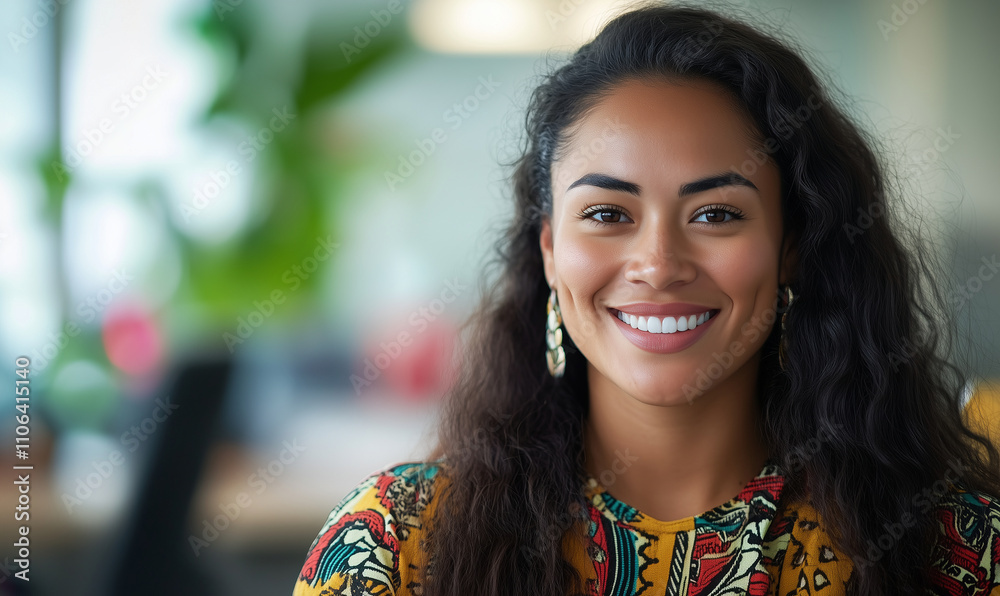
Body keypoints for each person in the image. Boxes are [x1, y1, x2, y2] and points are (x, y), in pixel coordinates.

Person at [291, 2, 1000, 595]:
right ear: (549, 250)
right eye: (607, 213)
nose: (658, 265)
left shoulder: (959, 554)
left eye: (716, 214)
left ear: (790, 247)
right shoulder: (391, 547)